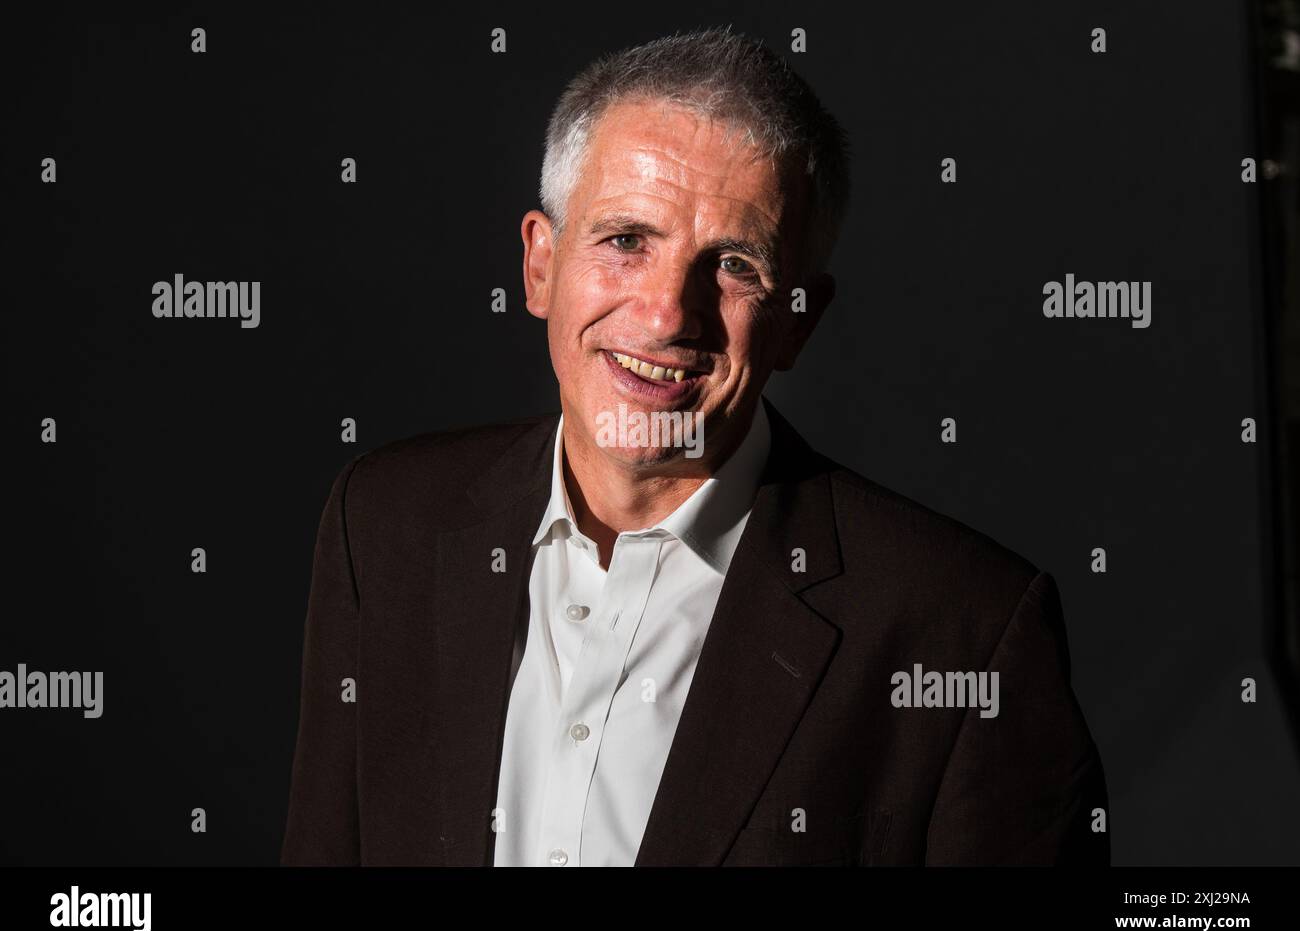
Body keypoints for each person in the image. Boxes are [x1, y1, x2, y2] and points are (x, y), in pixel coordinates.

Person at [281, 25, 1109, 866]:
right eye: (626, 239)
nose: (669, 312)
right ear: (540, 265)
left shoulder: (963, 631)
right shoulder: (382, 524)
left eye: (735, 266)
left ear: (798, 322)